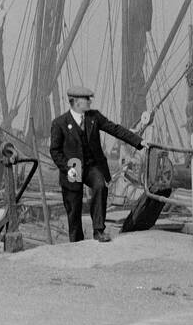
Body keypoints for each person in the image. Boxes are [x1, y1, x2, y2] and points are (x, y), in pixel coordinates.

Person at [49, 86, 148, 243]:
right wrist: (67, 168)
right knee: (74, 206)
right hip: (72, 169)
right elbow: (55, 151)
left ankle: (98, 230)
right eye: (86, 99)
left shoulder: (94, 117)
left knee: (100, 186)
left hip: (91, 166)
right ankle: (76, 240)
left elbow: (115, 129)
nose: (89, 101)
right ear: (74, 102)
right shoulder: (60, 123)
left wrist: (138, 141)